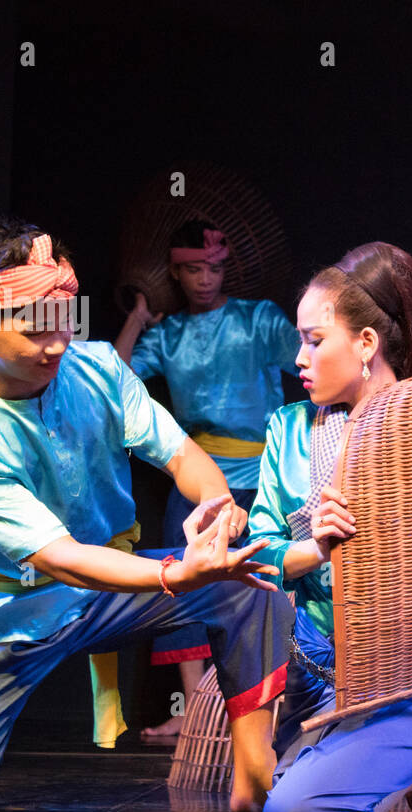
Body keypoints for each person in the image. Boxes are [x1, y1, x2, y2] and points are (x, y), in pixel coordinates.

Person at [0, 217, 288, 812]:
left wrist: (217, 503)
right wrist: (181, 571)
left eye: (63, 320)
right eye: (32, 328)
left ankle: (254, 779)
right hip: (1, 613)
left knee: (246, 581)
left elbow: (179, 455)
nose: (55, 343)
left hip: (101, 593)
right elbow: (61, 557)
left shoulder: (96, 368)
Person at [245, 242, 412, 812]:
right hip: (320, 664)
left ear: (364, 345)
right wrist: (314, 548)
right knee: (269, 798)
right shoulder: (292, 428)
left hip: (409, 669)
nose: (300, 357)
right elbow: (260, 547)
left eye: (314, 339)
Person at [113, 220, 300, 737]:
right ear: (176, 271)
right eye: (194, 269)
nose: (205, 279)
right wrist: (137, 319)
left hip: (264, 473)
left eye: (214, 268)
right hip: (199, 476)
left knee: (265, 579)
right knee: (185, 576)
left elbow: (308, 362)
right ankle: (194, 711)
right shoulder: (167, 335)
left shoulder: (257, 320)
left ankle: (267, 707)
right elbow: (114, 382)